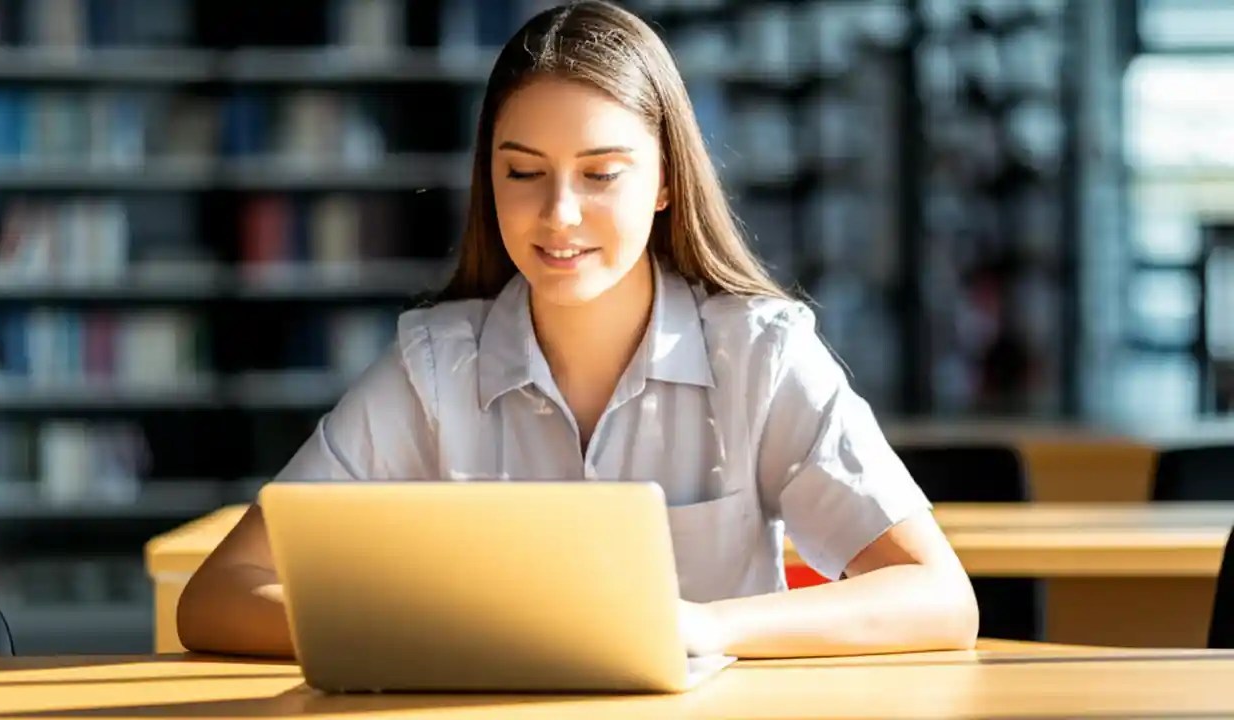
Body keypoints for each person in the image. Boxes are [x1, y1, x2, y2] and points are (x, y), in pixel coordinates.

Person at [176, 0, 978, 660]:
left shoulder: (761, 354)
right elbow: (217, 596)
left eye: (600, 175)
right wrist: (443, 636)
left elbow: (939, 597)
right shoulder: (434, 367)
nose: (558, 215)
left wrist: (703, 626)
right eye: (522, 173)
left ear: (665, 180)